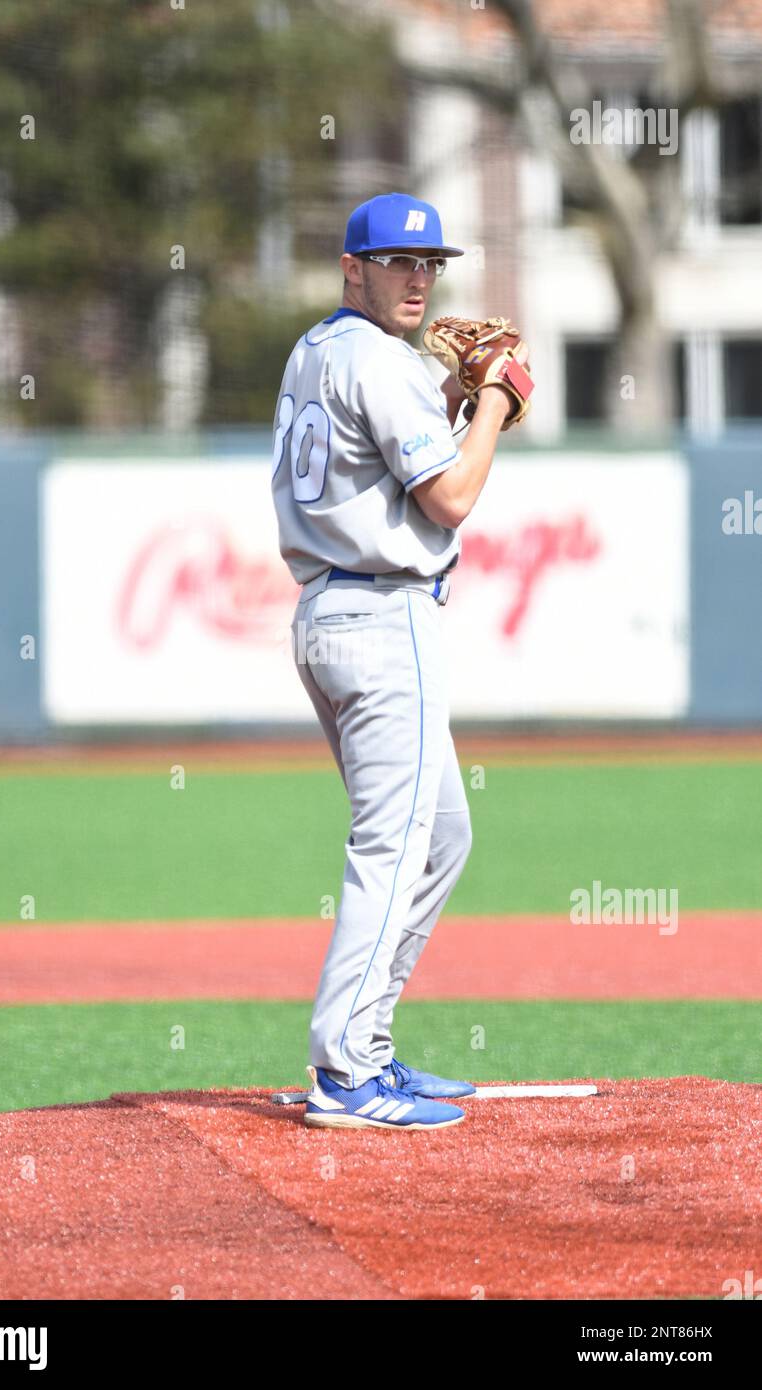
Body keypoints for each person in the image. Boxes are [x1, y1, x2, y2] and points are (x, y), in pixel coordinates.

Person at [270, 192, 529, 1130]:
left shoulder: (321, 347)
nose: (418, 279)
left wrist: (453, 399)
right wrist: (495, 398)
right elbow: (452, 498)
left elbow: (374, 449)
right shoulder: (384, 361)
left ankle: (367, 1044)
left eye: (430, 264)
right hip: (382, 616)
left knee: (442, 834)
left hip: (329, 611)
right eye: (396, 262)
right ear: (354, 267)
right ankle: (343, 1072)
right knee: (392, 845)